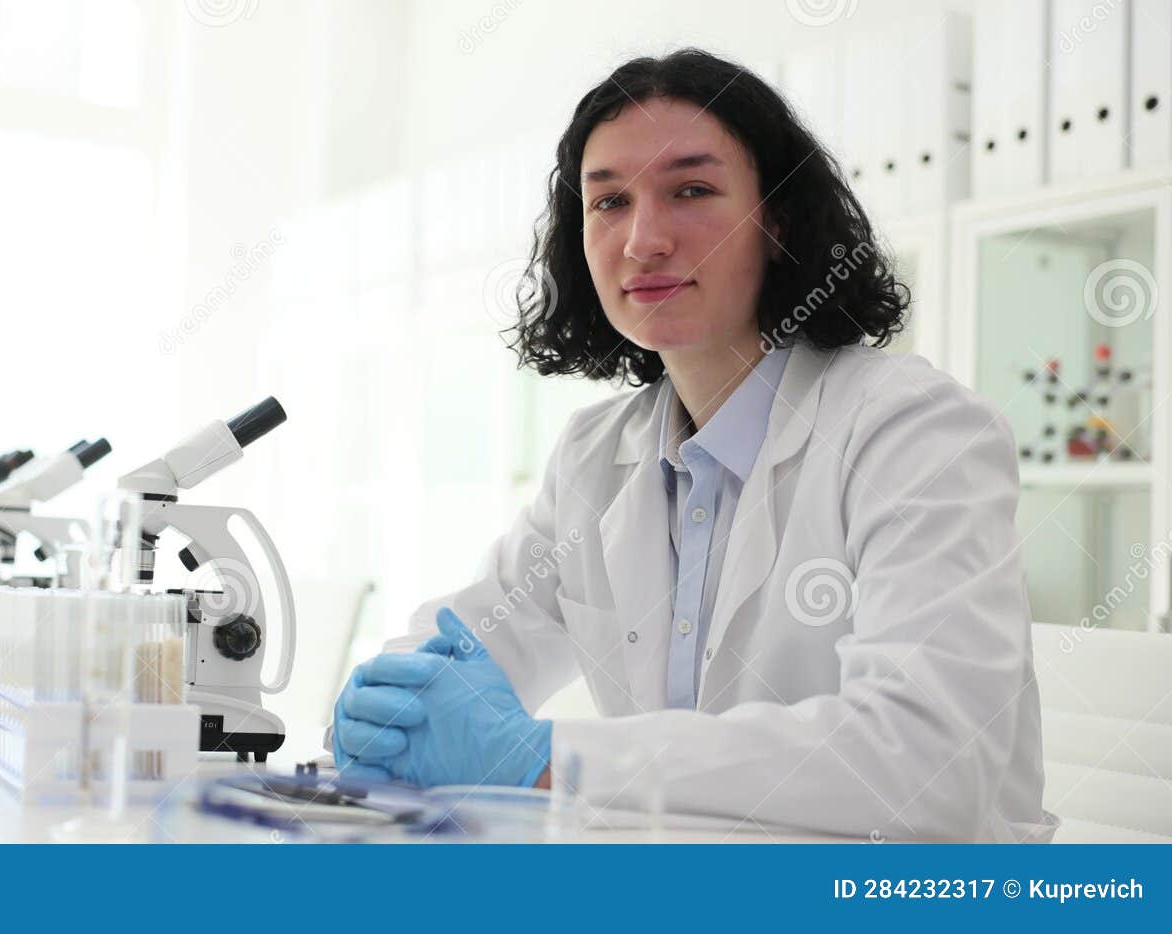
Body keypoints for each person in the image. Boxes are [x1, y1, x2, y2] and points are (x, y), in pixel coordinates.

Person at [329, 48, 1057, 843]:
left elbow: (927, 766)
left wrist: (549, 761)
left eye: (692, 191)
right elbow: (469, 645)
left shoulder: (912, 431)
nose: (643, 239)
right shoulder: (596, 455)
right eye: (608, 202)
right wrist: (391, 702)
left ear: (777, 221)